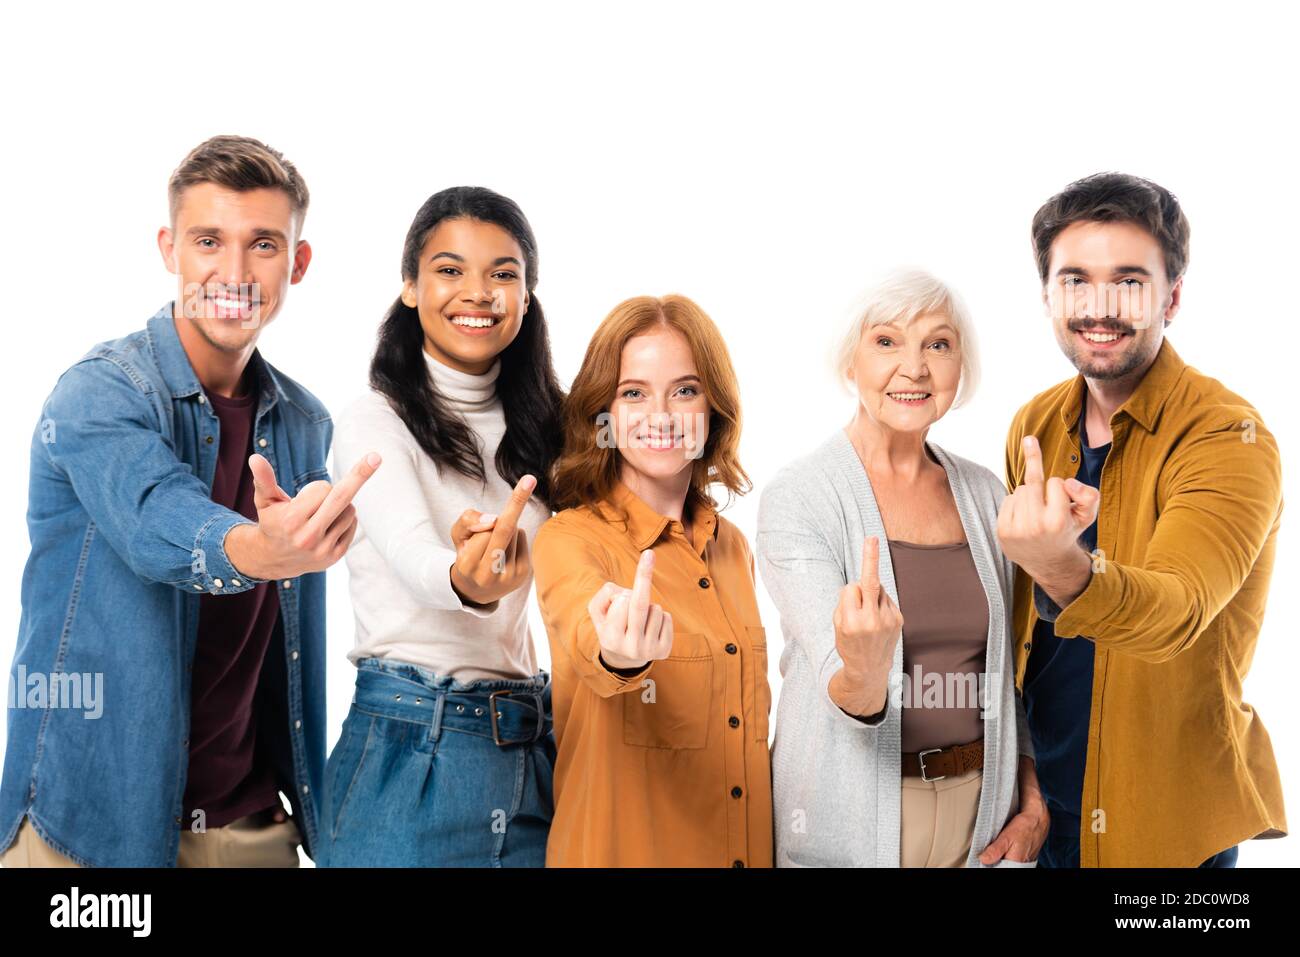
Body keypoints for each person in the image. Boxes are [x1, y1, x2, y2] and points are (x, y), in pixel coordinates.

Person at [0, 135, 379, 868]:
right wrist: (259, 550)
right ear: (171, 248)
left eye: (263, 244)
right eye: (209, 241)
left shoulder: (304, 423)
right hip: (86, 828)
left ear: (298, 263)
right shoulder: (98, 393)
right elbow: (154, 518)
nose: (233, 272)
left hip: (248, 830)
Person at [999, 171, 1286, 867]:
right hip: (1040, 812)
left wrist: (1062, 566)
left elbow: (1178, 608)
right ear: (1048, 296)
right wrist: (1026, 781)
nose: (1100, 306)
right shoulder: (1034, 424)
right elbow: (1024, 642)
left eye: (1129, 281)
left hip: (1162, 826)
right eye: (1075, 281)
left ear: (1173, 296)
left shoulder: (1227, 437)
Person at [756, 268, 1046, 867]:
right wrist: (865, 665)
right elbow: (847, 689)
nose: (915, 368)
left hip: (981, 815)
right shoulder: (801, 495)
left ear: (960, 367)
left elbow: (1007, 670)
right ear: (850, 363)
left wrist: (1031, 797)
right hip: (852, 819)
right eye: (886, 341)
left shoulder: (987, 494)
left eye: (937, 344)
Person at [317, 187, 563, 866]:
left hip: (531, 752)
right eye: (450, 270)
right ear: (410, 286)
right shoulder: (374, 419)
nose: (478, 293)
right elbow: (411, 553)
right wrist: (467, 578)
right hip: (409, 748)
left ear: (527, 294)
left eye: (503, 274)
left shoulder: (550, 429)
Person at [532, 294, 772, 867]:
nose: (661, 416)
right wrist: (622, 656)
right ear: (603, 416)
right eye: (633, 393)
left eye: (685, 391)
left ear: (712, 408)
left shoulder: (732, 546)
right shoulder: (570, 539)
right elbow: (591, 637)